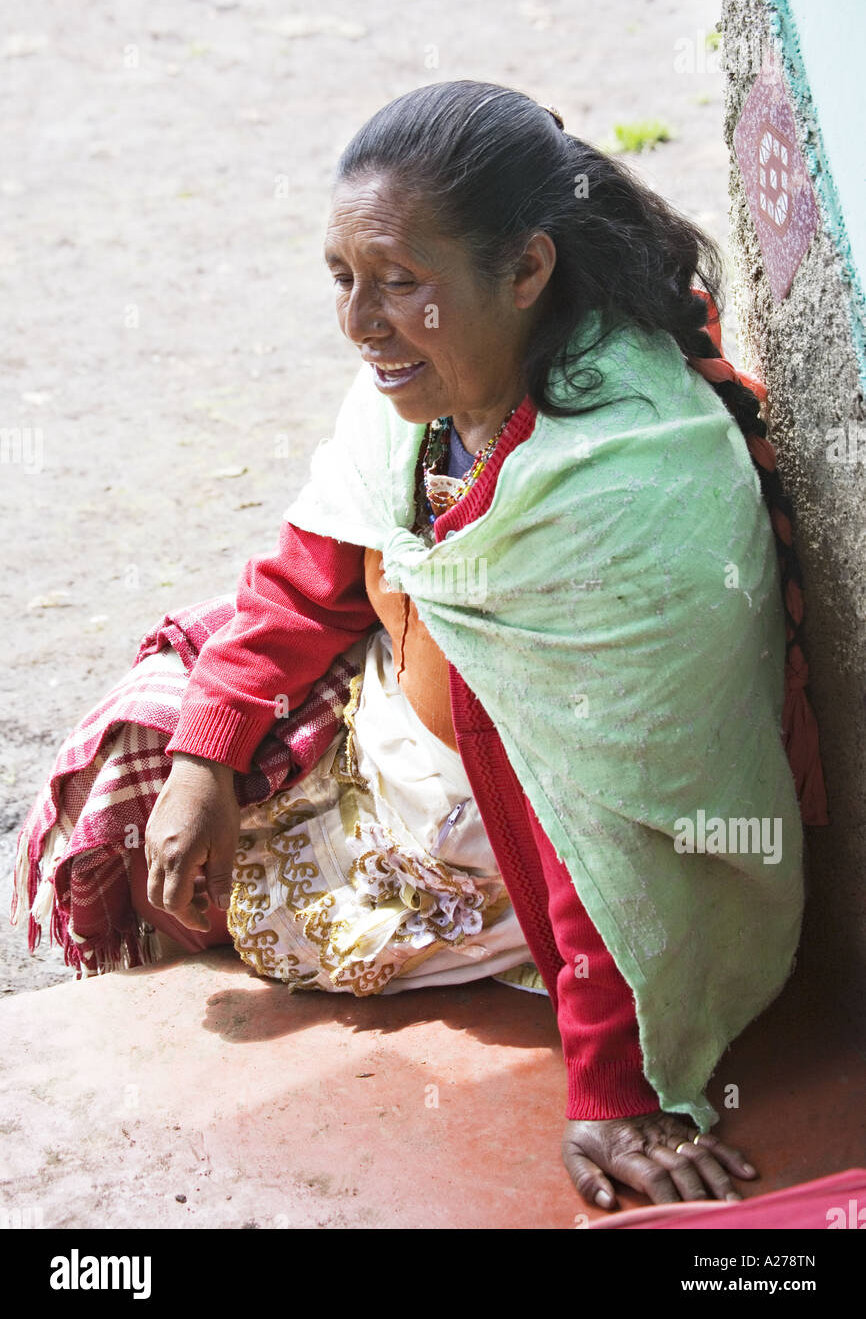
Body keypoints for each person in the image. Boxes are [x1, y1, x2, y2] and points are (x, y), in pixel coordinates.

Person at [14, 80, 827, 1215]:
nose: (357, 322)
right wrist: (205, 754)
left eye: (399, 283)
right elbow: (308, 573)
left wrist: (608, 1084)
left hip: (570, 839)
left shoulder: (629, 483)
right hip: (432, 740)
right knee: (140, 759)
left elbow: (603, 807)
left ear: (527, 270)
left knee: (230, 898)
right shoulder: (426, 384)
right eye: (341, 279)